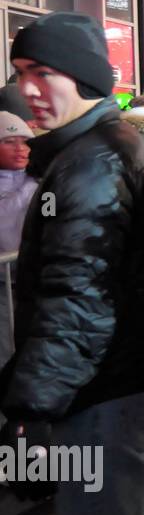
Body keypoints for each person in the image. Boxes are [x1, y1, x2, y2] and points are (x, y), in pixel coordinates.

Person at [0, 12, 144, 515]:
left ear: (81, 76)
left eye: (43, 72)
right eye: (22, 72)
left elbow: (76, 305)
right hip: (136, 381)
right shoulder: (105, 146)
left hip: (107, 395)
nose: (28, 87)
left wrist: (28, 412)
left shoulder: (92, 161)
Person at [0, 112, 37, 366]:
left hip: (36, 286)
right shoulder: (40, 181)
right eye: (8, 141)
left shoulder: (44, 181)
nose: (20, 149)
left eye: (25, 141)